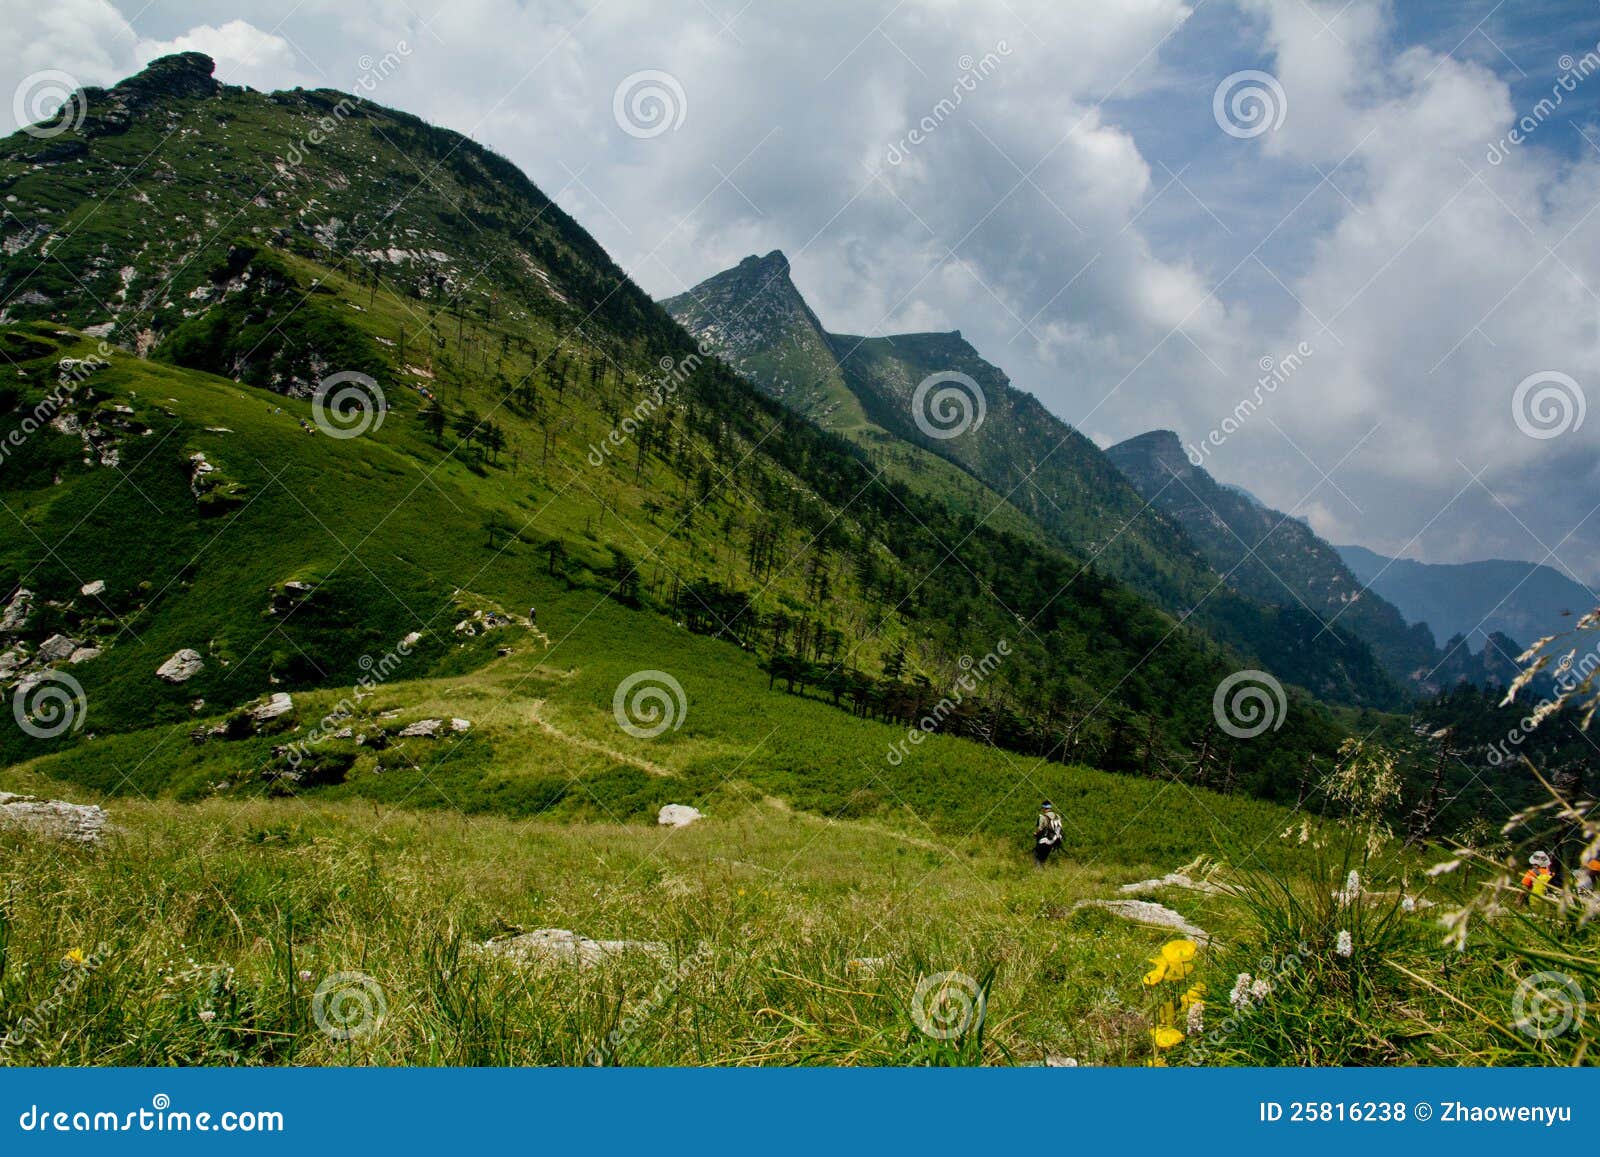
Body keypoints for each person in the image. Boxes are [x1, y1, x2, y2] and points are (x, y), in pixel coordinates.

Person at [1033, 801, 1063, 868]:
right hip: (1055, 840)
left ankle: (1038, 870)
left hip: (1046, 840)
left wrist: (1035, 833)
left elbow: (1040, 829)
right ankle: (1042, 869)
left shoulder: (1043, 817)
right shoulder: (1057, 816)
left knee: (1036, 855)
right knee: (1044, 856)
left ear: (1044, 808)